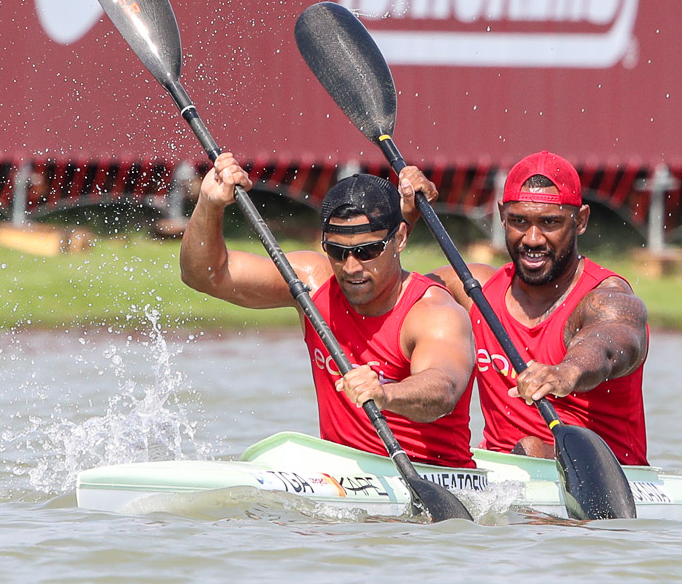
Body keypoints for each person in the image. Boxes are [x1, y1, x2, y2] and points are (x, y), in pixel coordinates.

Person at [180, 153, 476, 468]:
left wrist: (386, 393)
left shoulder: (433, 312)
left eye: (367, 251)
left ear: (400, 238)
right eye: (337, 251)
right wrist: (210, 206)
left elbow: (443, 390)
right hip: (344, 473)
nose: (351, 267)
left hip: (435, 475)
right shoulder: (311, 283)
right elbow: (205, 275)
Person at [403, 150, 650, 465]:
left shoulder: (608, 297)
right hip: (502, 471)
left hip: (601, 474)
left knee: (532, 447)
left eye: (550, 223)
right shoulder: (476, 290)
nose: (532, 239)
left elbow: (611, 344)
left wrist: (566, 372)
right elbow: (388, 294)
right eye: (519, 221)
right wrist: (406, 220)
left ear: (581, 220)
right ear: (502, 215)